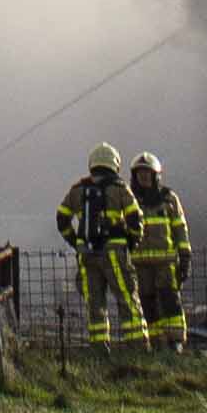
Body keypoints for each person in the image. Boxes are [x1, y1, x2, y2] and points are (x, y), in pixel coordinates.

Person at [55, 144, 138, 346]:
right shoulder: (120, 189)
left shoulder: (77, 190)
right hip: (115, 252)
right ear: (115, 165)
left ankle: (100, 347)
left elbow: (62, 218)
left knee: (95, 304)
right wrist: (131, 242)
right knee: (126, 299)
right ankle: (137, 346)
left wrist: (75, 241)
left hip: (87, 254)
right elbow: (135, 218)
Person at [123, 149, 191, 346]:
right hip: (139, 265)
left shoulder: (169, 199)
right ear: (134, 176)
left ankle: (176, 341)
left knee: (171, 301)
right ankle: (156, 341)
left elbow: (180, 228)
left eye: (147, 174)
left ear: (156, 176)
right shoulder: (128, 200)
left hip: (166, 263)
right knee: (147, 303)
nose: (144, 178)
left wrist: (185, 256)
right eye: (140, 174)